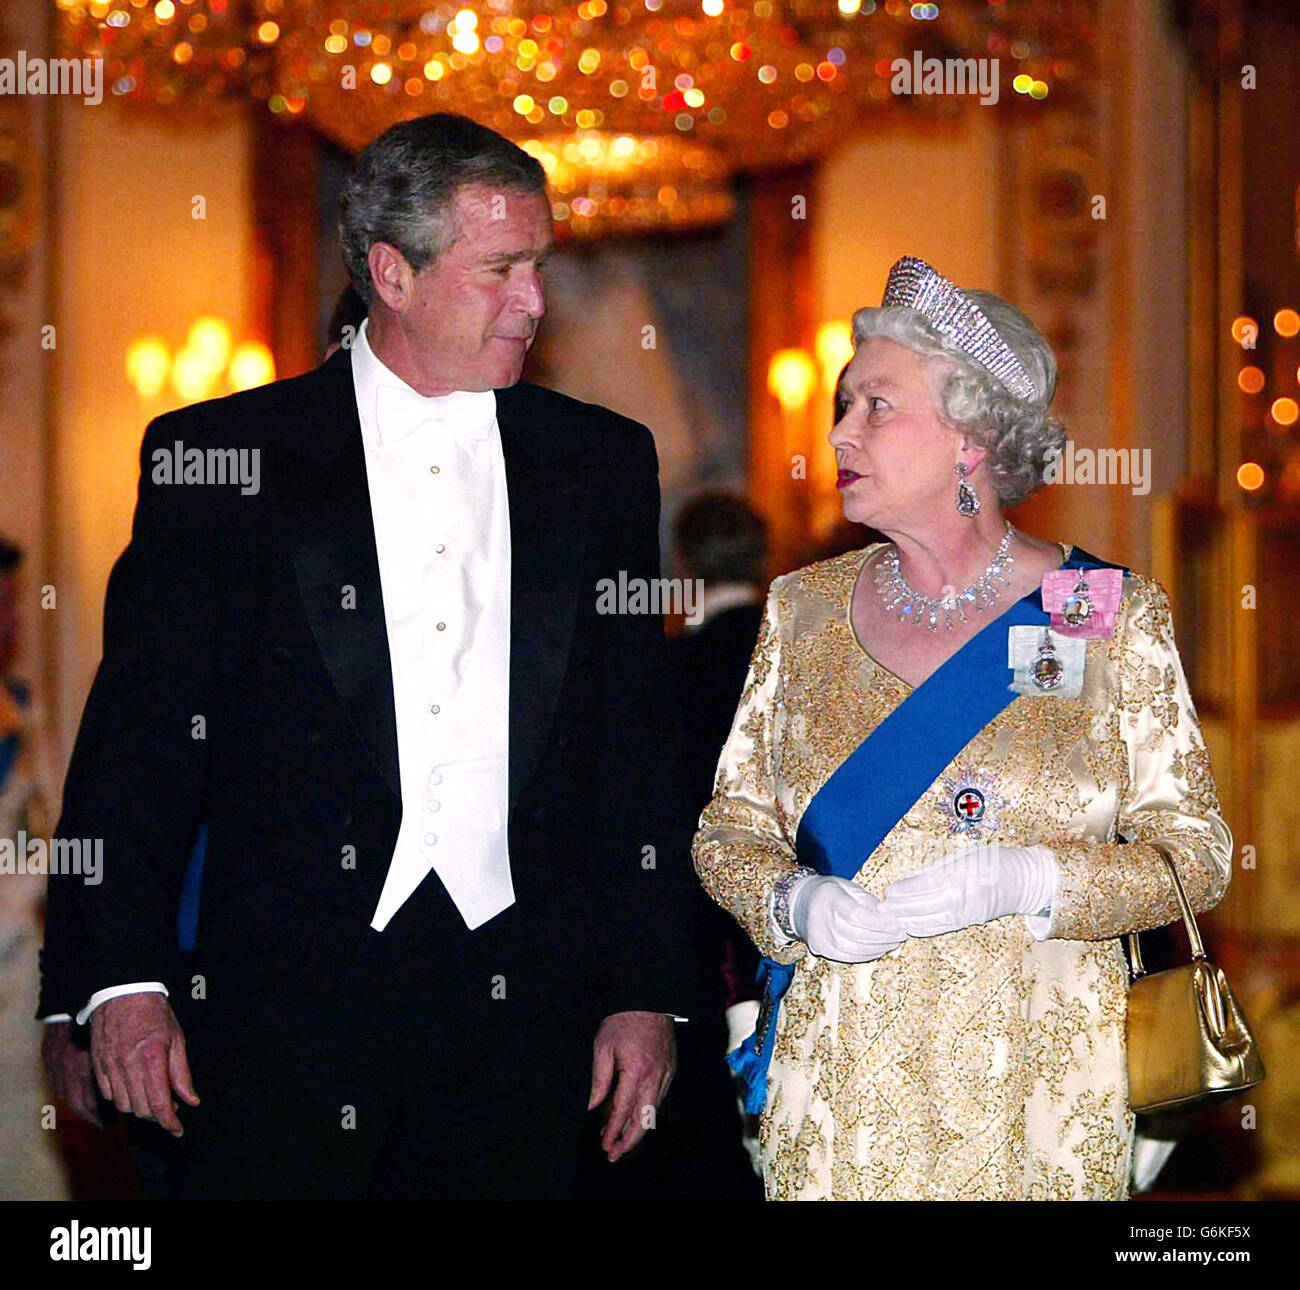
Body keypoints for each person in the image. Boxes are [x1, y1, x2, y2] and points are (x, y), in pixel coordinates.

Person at [39, 112, 693, 1201]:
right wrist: (117, 980)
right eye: (501, 269)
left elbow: (636, 746)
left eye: (538, 265)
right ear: (392, 271)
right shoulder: (220, 459)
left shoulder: (602, 463)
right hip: (279, 1014)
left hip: (525, 1012)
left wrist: (647, 988)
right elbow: (138, 746)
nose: (534, 301)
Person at [693, 255, 1233, 1201]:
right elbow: (725, 833)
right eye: (842, 405)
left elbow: (1197, 856)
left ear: (972, 438)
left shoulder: (1096, 609)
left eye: (876, 406)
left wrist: (1037, 879)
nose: (841, 432)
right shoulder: (802, 609)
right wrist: (793, 905)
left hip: (1045, 1089)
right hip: (839, 1093)